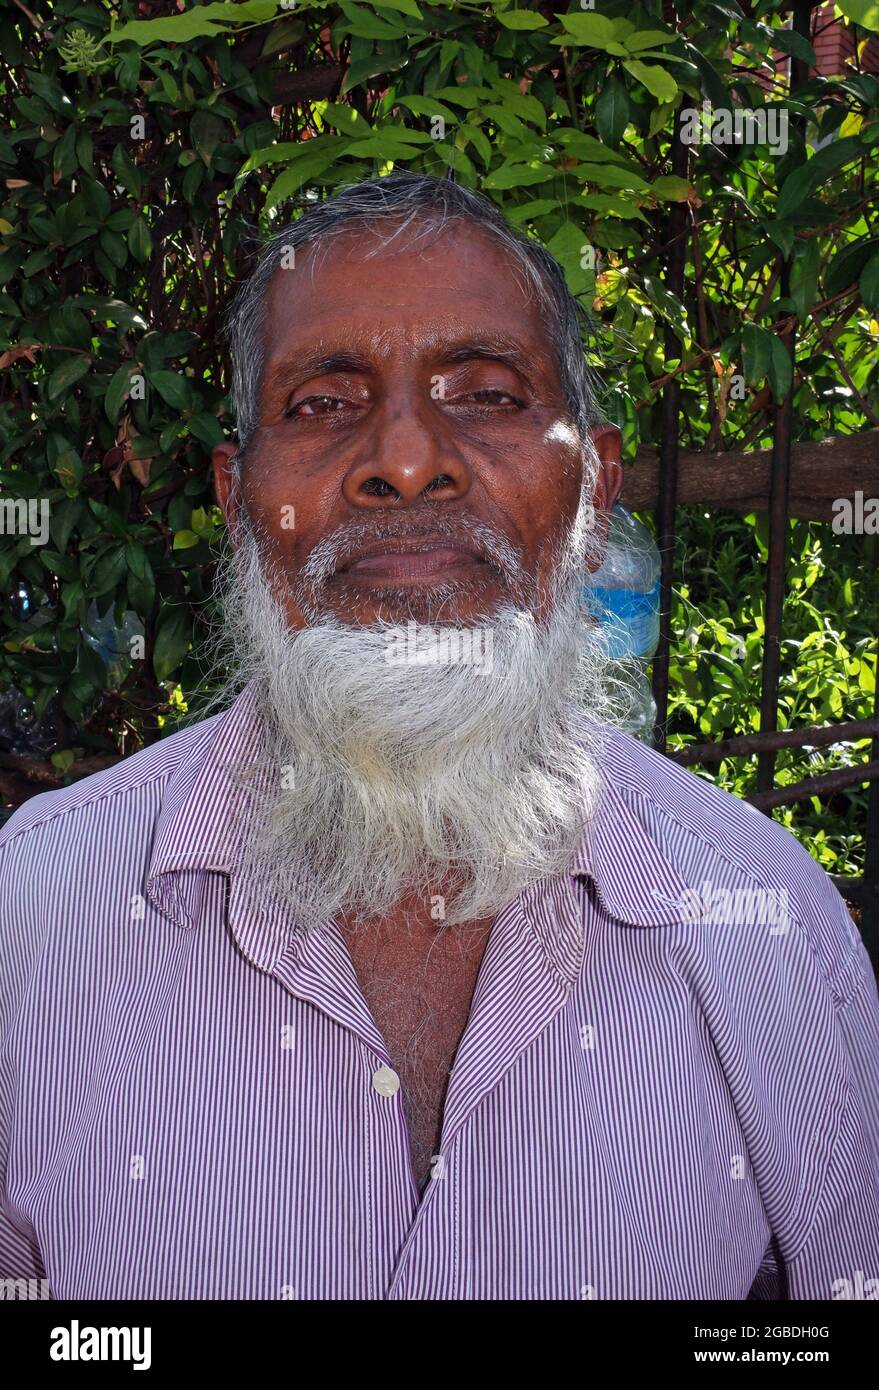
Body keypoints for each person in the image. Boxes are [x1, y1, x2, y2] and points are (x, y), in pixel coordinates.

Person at [1, 173, 877, 1300]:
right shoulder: (35, 910)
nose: (408, 461)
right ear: (235, 499)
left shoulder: (771, 930)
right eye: (324, 402)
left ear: (595, 490)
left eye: (488, 393)